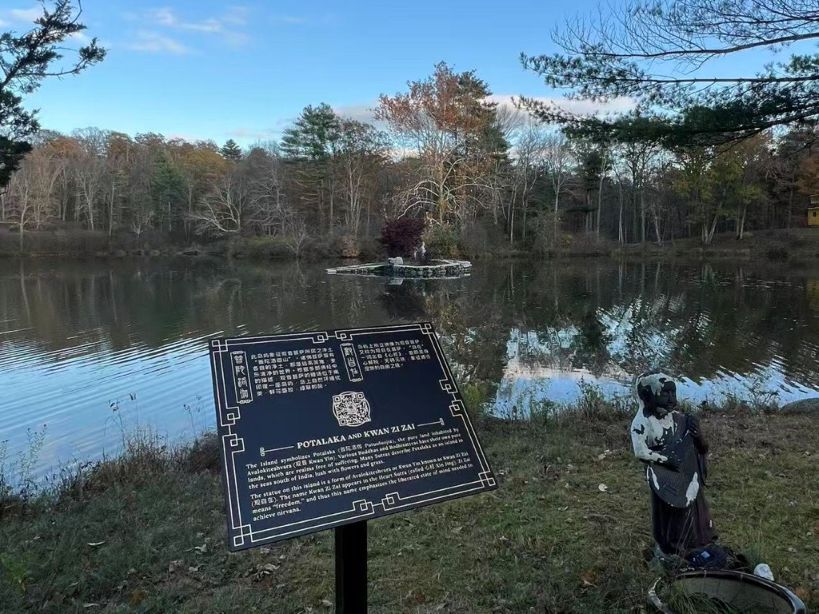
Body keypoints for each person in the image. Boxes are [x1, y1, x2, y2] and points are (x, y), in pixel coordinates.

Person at [630, 371, 715, 558]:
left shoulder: (680, 419)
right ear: (648, 395)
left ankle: (697, 541)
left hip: (685, 475)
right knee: (668, 515)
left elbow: (701, 447)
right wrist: (665, 460)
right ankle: (672, 548)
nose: (670, 398)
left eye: (673, 393)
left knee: (693, 508)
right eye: (664, 393)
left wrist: (696, 432)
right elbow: (640, 451)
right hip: (664, 479)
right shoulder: (643, 422)